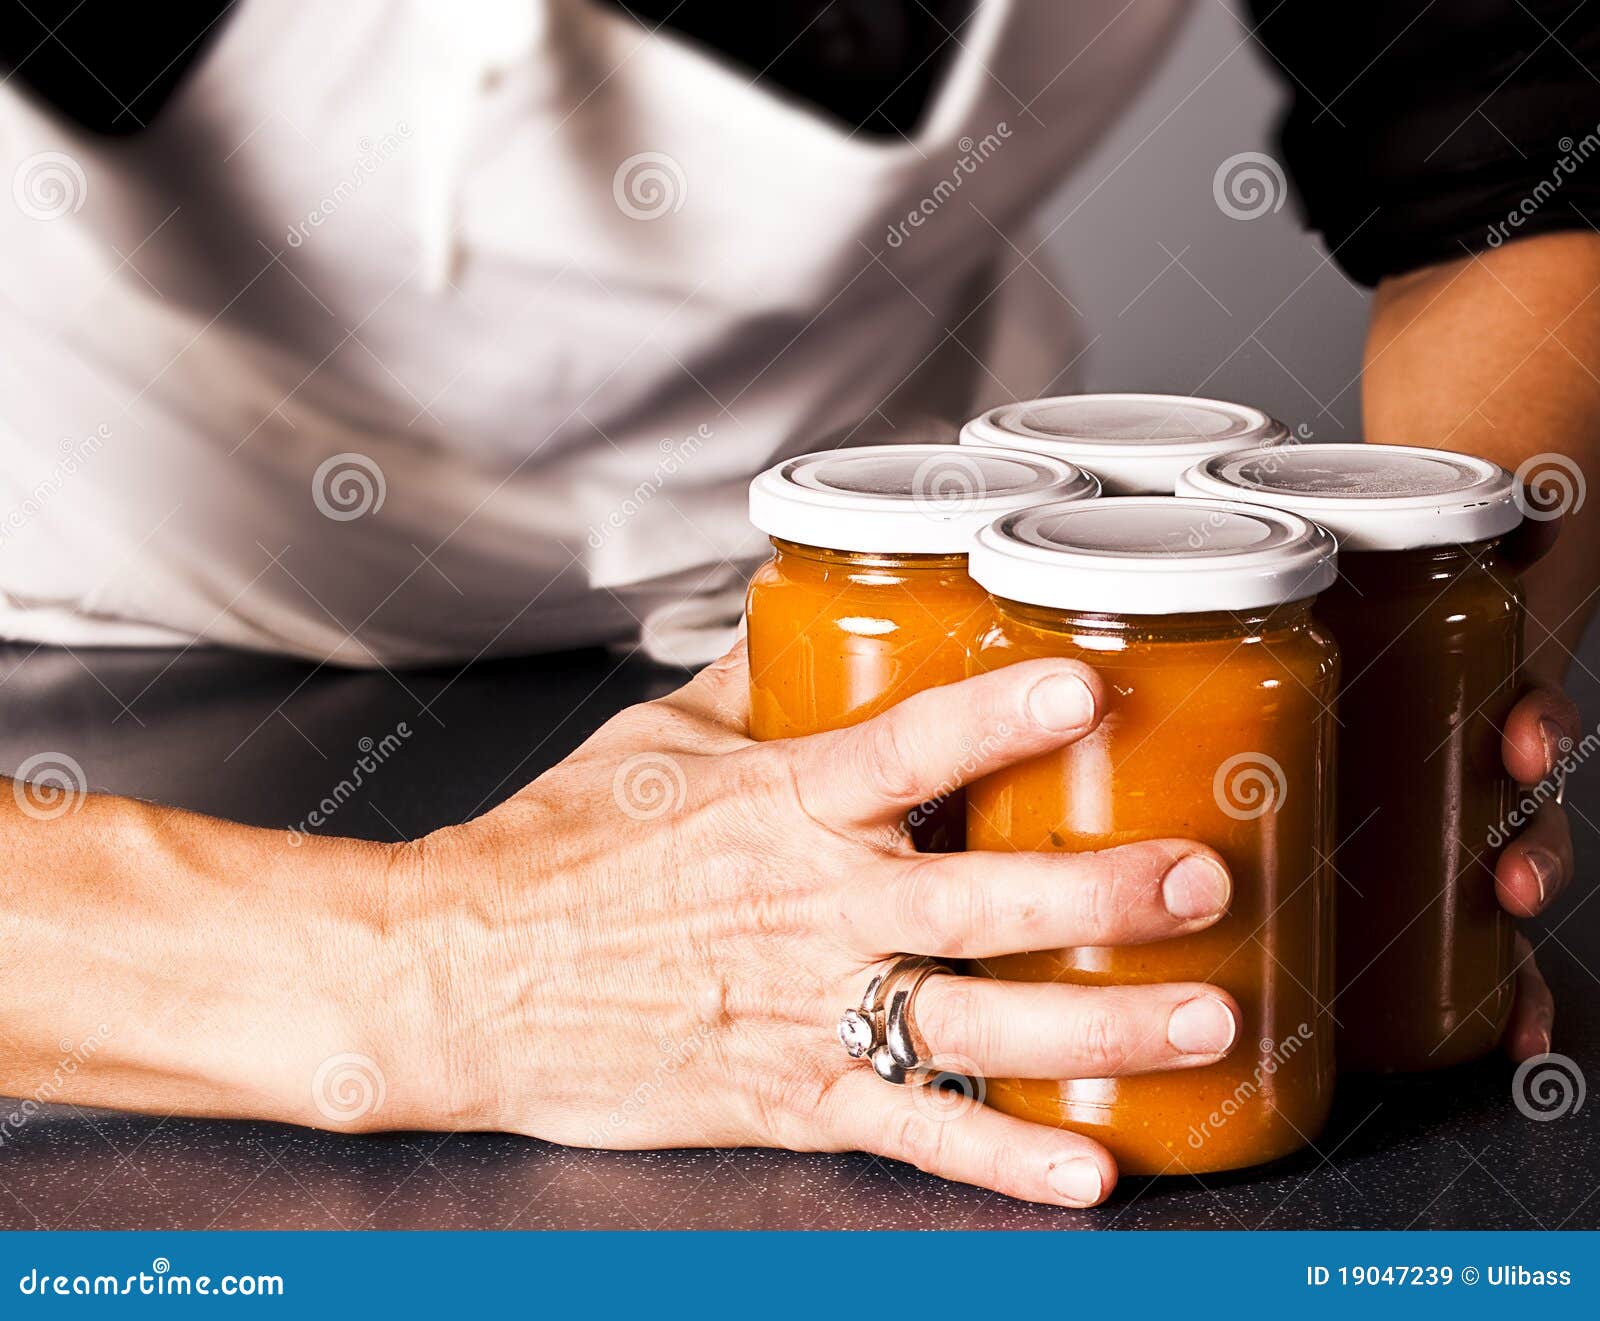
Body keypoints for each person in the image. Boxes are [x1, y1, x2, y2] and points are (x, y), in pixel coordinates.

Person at [0, 1, 1589, 1207]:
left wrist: (1414, 675)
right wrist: (442, 972)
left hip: (909, 581)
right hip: (96, 647)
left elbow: (1519, 157)